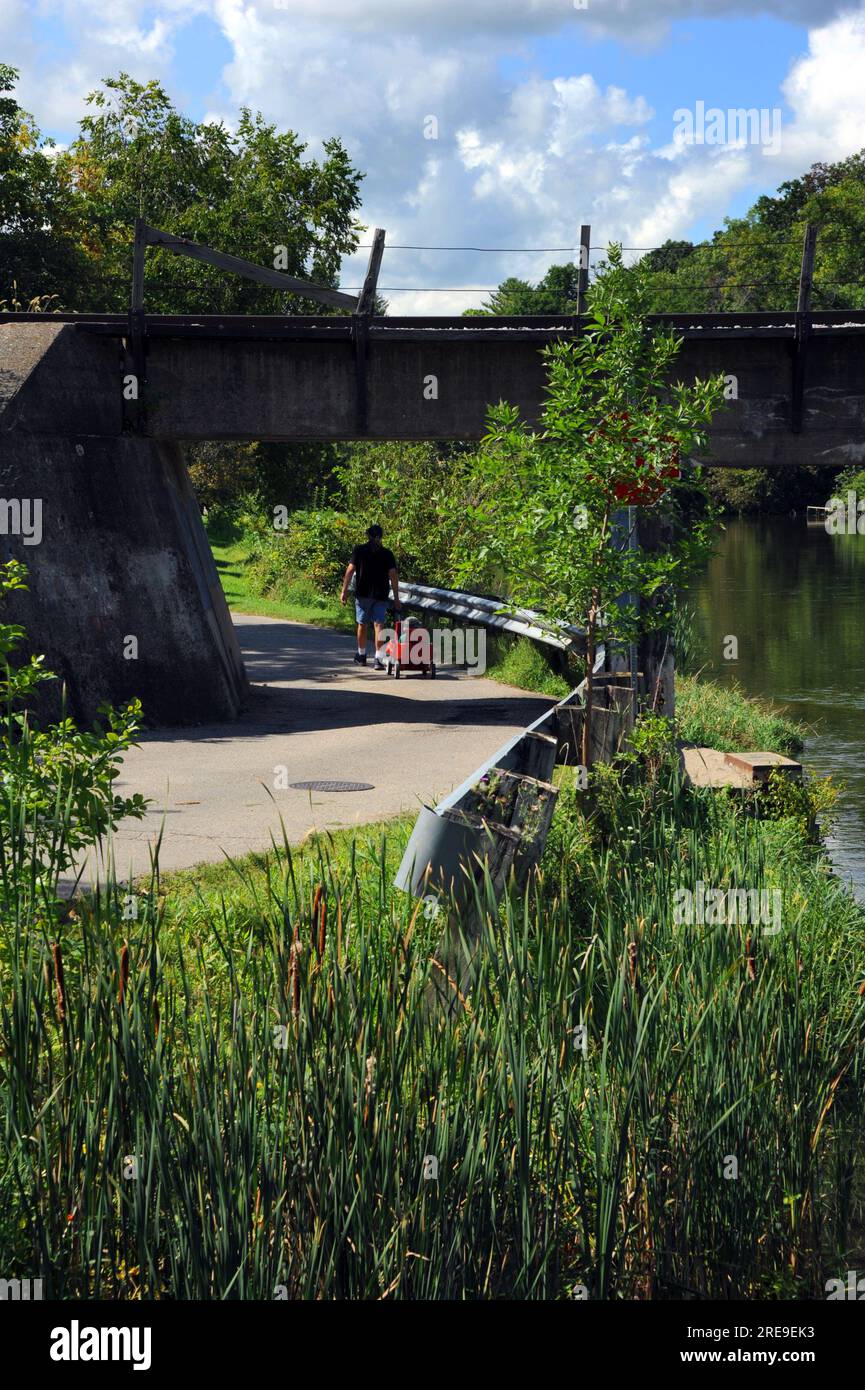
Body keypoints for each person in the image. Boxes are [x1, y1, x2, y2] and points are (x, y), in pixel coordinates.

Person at [340, 524, 400, 669]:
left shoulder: (359, 550)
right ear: (381, 537)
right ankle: (378, 659)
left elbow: (350, 570)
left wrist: (344, 590)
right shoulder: (387, 554)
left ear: (368, 536)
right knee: (379, 625)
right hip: (381, 594)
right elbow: (393, 576)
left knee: (362, 624)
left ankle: (361, 656)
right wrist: (396, 598)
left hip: (363, 594)